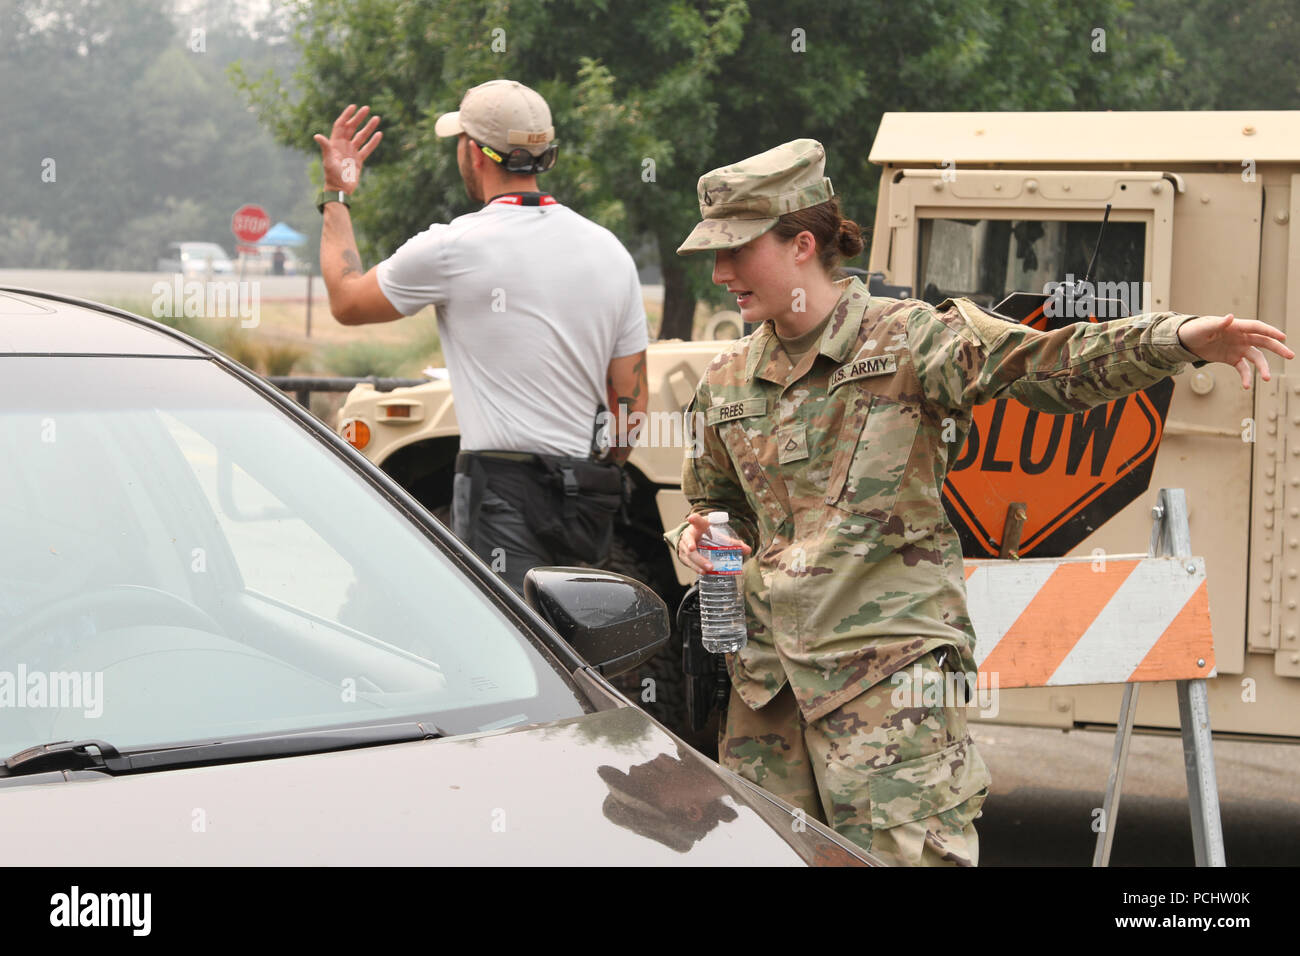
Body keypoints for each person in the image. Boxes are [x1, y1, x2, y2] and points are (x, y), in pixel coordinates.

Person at [664, 138, 1293, 866]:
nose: (719, 273)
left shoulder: (911, 342)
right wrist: (702, 535)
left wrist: (1179, 339)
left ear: (802, 243)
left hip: (889, 692)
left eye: (737, 251)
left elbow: (1051, 363)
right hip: (766, 701)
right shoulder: (729, 382)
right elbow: (713, 506)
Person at [312, 80, 649, 594]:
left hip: (501, 492)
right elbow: (630, 403)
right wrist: (597, 478)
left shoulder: (453, 247)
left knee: (513, 653)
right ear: (543, 155)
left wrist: (337, 194)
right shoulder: (609, 252)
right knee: (575, 651)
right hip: (590, 491)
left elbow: (347, 299)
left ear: (474, 153)